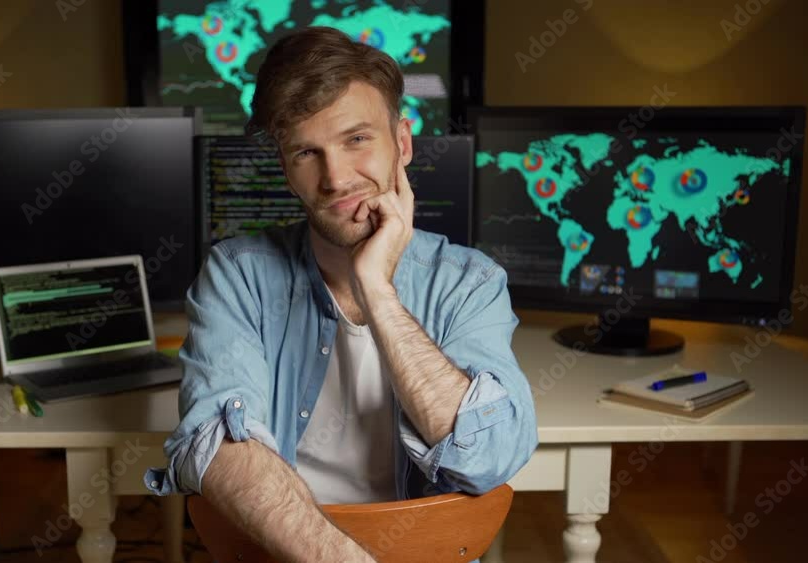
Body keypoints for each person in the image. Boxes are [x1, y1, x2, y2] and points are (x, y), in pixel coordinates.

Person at [145, 26, 537, 561]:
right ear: (286, 169)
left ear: (401, 143)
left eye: (357, 139)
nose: (335, 178)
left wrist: (376, 289)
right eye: (307, 152)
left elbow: (487, 455)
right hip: (285, 548)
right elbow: (217, 446)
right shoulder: (236, 274)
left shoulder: (471, 281)